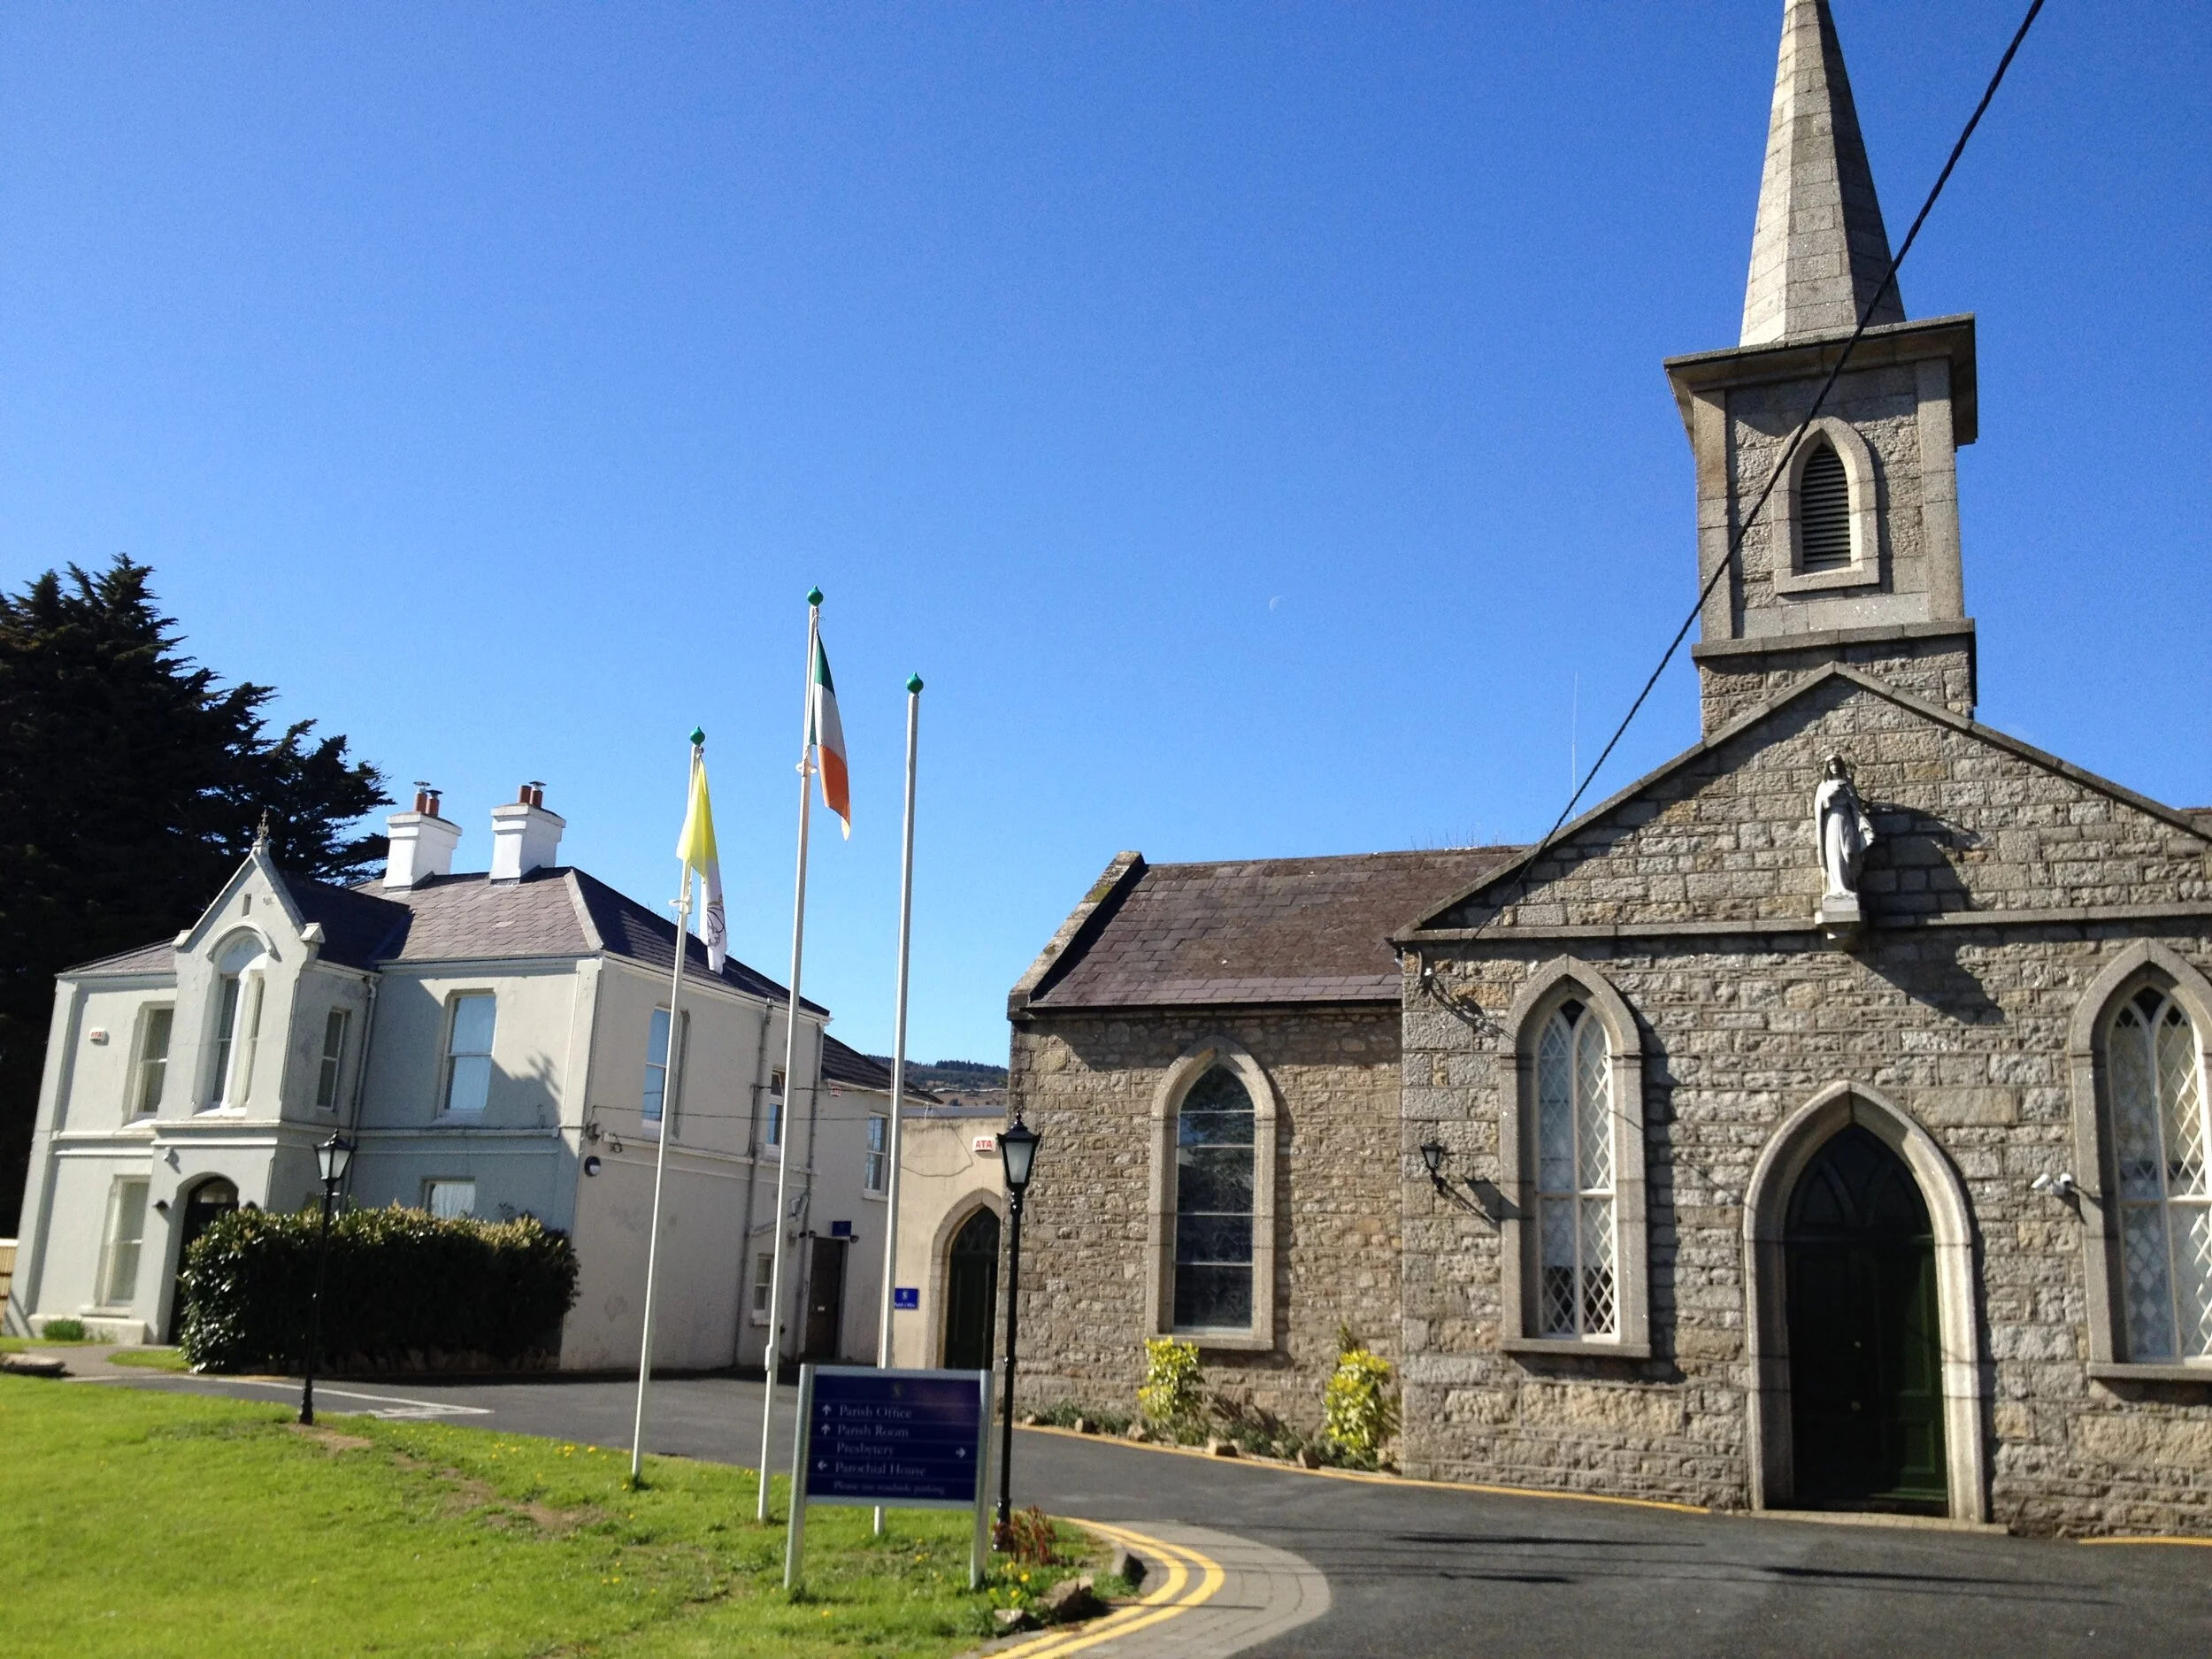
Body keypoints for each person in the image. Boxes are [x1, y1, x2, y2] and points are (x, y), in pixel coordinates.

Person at [1814, 754, 1876, 898]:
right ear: (1827, 768)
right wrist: (1831, 797)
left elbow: (1856, 807)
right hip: (1831, 821)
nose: (1834, 767)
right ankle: (1836, 889)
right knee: (1834, 854)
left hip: (1847, 820)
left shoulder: (1848, 785)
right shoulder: (1823, 787)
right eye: (1831, 765)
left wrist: (1848, 799)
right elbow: (1820, 808)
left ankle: (1848, 885)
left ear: (1840, 766)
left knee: (1848, 852)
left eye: (1836, 764)